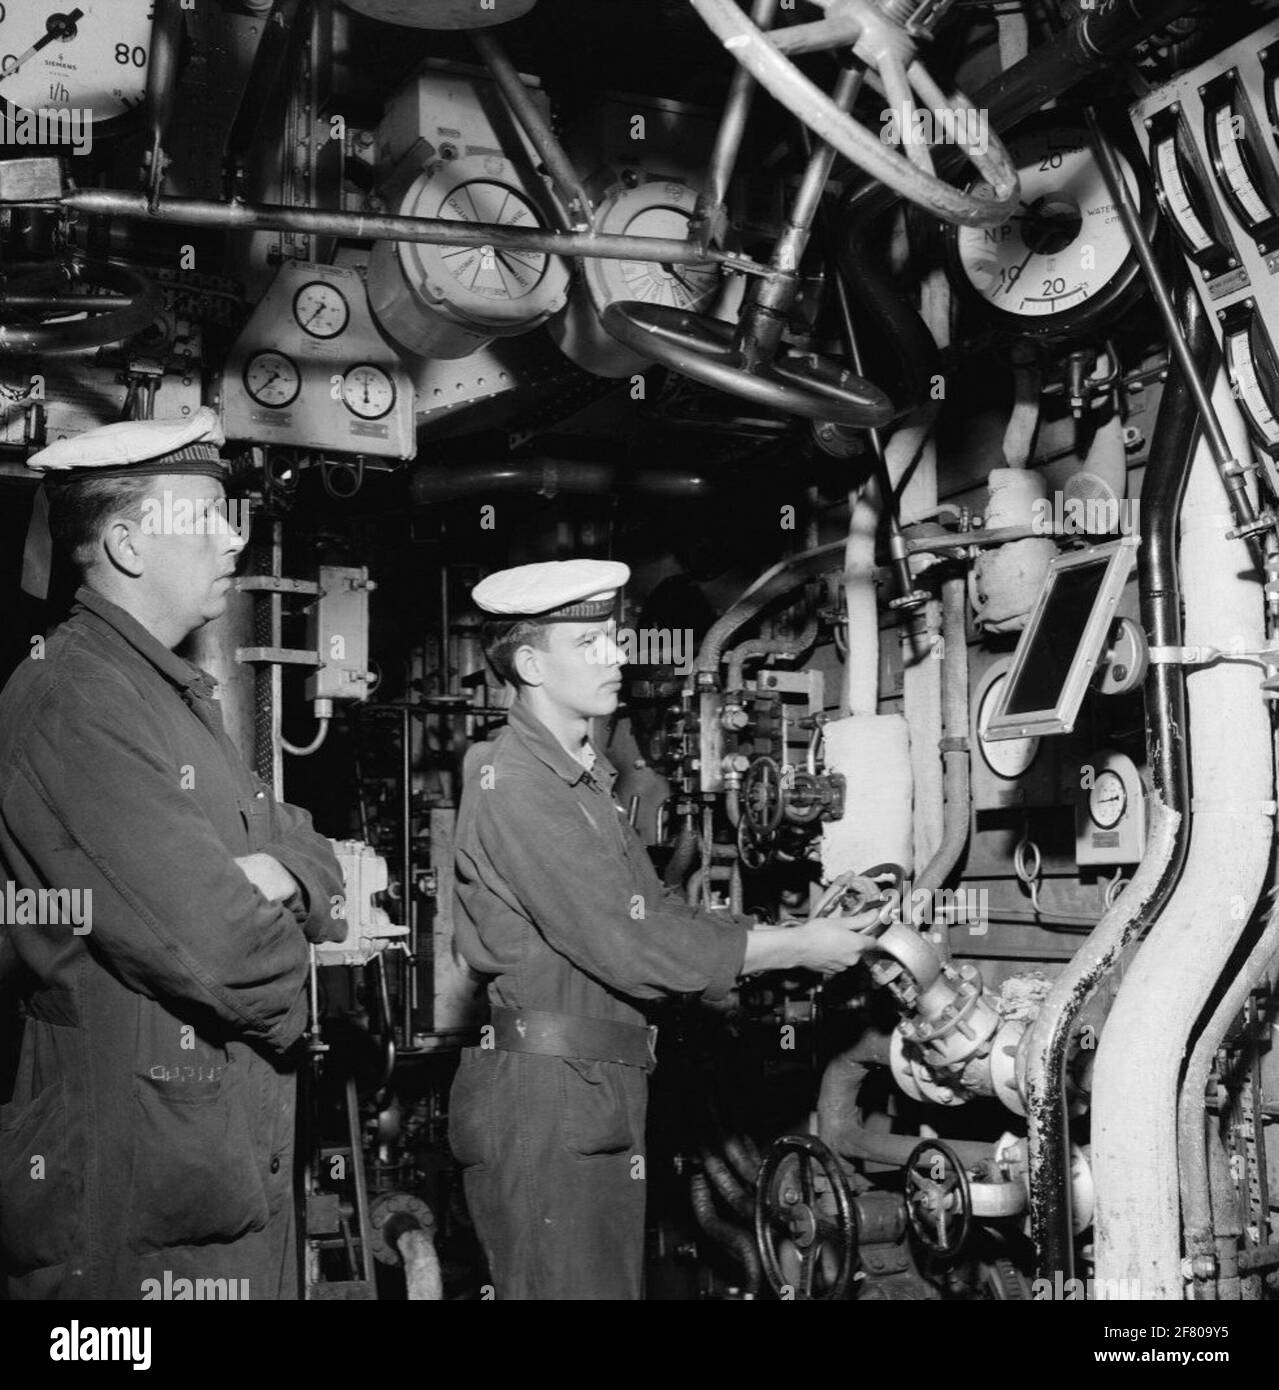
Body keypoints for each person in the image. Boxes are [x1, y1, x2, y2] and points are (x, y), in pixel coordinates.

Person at [450, 558, 878, 1299]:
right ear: (529, 664)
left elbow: (654, 909)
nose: (617, 655)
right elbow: (629, 944)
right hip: (549, 1100)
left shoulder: (576, 778)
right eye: (588, 645)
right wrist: (795, 947)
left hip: (592, 1087)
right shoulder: (516, 783)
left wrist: (789, 933)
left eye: (613, 636)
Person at [0, 409, 345, 1300]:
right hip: (133, 1187)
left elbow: (305, 842)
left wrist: (284, 877)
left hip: (207, 1163)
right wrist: (260, 899)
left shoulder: (168, 693)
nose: (234, 534)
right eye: (204, 514)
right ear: (124, 544)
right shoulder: (76, 700)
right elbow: (222, 948)